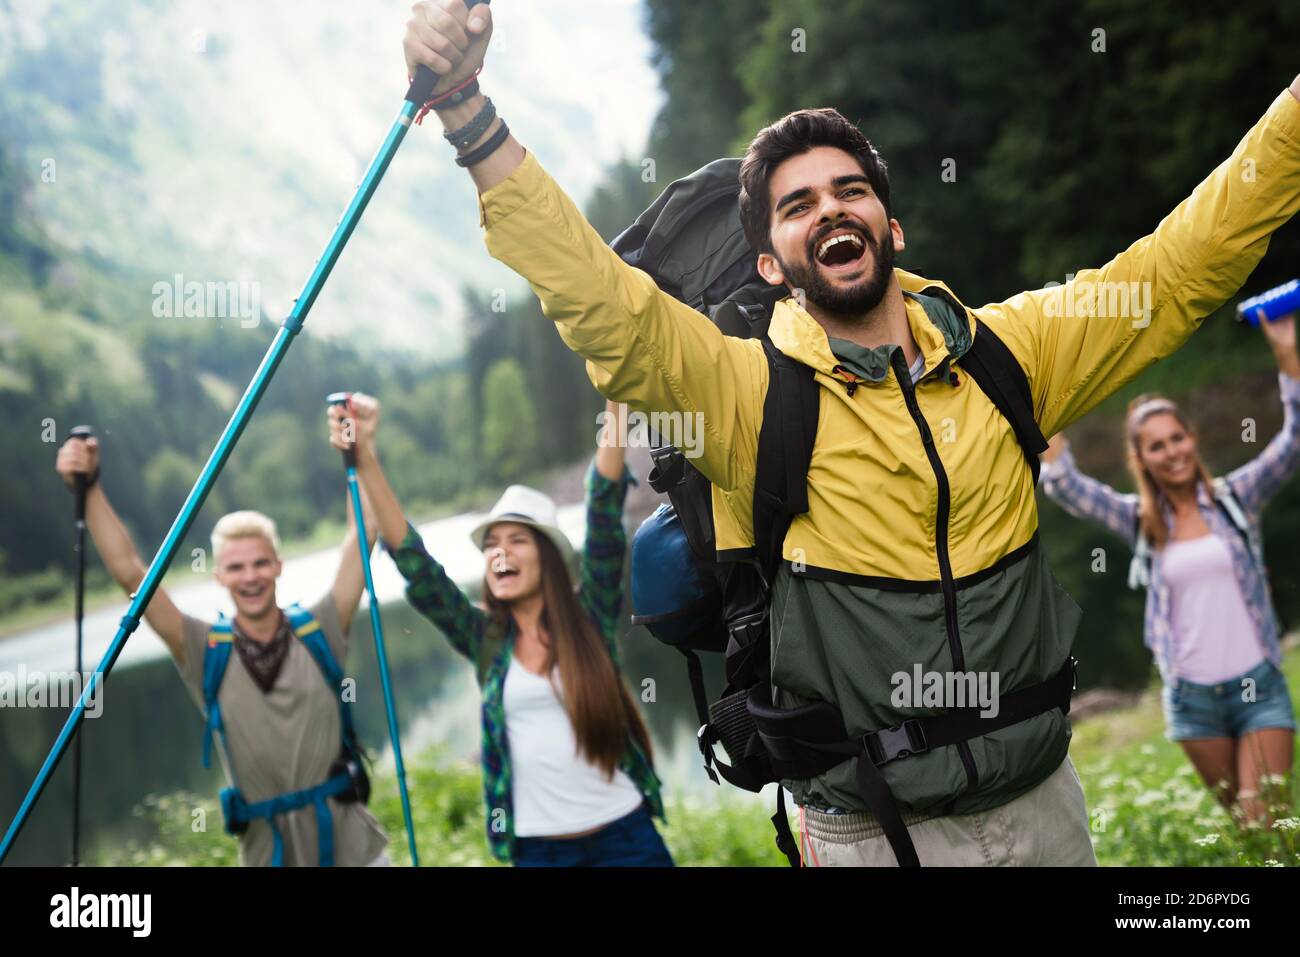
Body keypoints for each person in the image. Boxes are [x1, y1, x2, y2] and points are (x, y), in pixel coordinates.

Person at [400, 0, 1300, 865]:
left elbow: (1181, 265)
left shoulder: (1010, 354)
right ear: (771, 262)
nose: (829, 209)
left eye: (851, 190)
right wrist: (472, 117)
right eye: (797, 206)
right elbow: (604, 302)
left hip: (1048, 806)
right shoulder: (745, 398)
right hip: (875, 835)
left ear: (890, 225)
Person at [328, 393, 671, 866]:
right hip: (538, 850)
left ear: (547, 557)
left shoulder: (590, 614)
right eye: (491, 544)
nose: (499, 553)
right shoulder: (483, 638)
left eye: (515, 540)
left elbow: (603, 508)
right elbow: (418, 567)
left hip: (625, 837)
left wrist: (616, 396)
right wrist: (365, 456)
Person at [53, 433, 389, 866]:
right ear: (219, 577)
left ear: (278, 567)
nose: (250, 577)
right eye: (236, 566)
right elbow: (131, 573)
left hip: (356, 853)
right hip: (269, 856)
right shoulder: (201, 648)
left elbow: (360, 539)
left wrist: (358, 455)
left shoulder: (321, 626)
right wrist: (91, 488)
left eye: (260, 563)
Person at [1039, 314, 1299, 822]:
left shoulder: (1235, 500)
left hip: (1259, 686)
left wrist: (1287, 351)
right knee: (1250, 833)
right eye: (1156, 446)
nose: (1171, 452)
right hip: (1191, 700)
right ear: (1141, 457)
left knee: (1263, 819)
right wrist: (1050, 405)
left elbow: (1294, 441)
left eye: (1176, 438)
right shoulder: (1140, 522)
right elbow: (1068, 486)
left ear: (1192, 438)